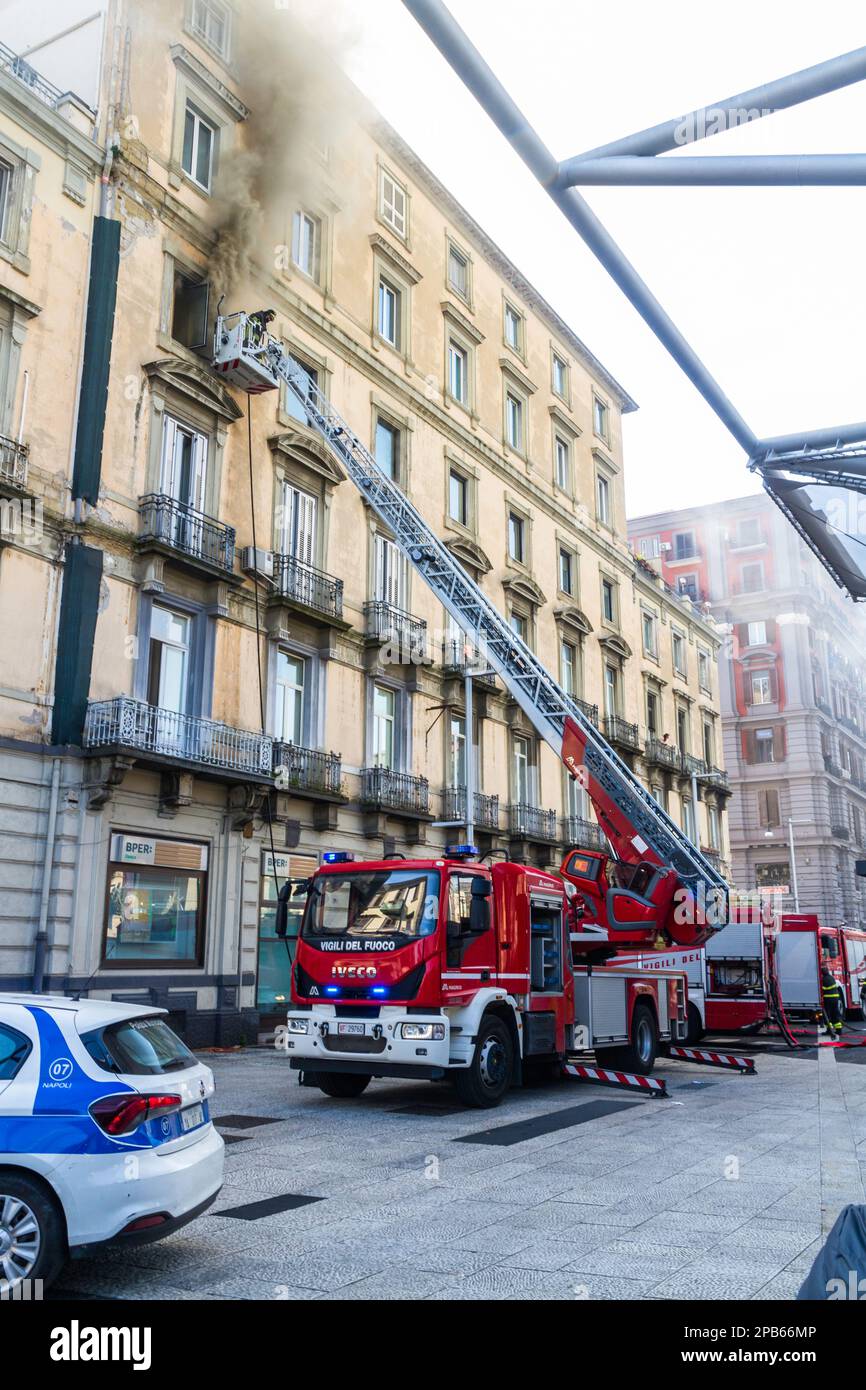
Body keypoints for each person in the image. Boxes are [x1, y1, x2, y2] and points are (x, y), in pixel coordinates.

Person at [822, 966, 844, 1036]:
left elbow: (822, 989)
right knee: (835, 1014)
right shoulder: (831, 977)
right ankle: (839, 1030)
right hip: (835, 999)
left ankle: (829, 1030)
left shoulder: (824, 979)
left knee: (827, 1015)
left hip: (828, 999)